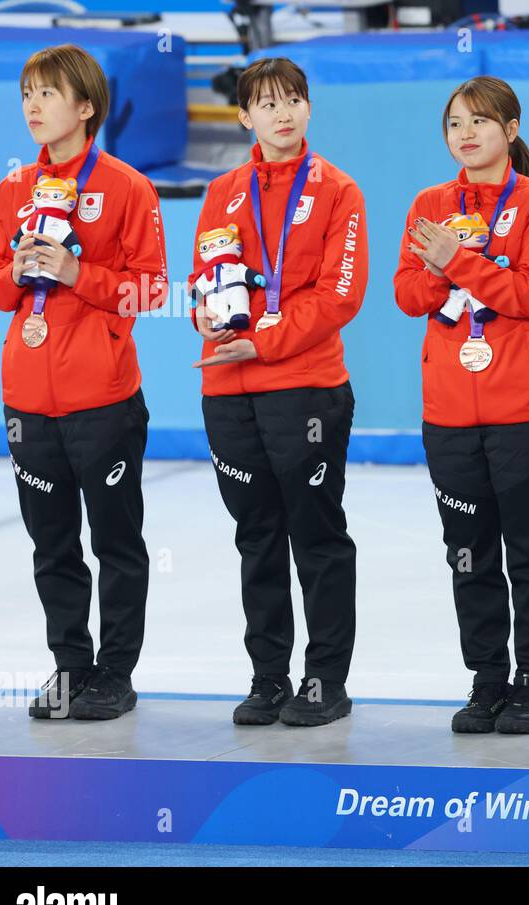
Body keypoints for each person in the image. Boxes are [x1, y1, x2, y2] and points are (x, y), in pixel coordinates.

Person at [0, 44, 167, 720]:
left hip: (103, 399)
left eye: (48, 93)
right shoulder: (12, 190)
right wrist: (21, 269)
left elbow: (149, 290)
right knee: (51, 543)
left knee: (115, 542)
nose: (33, 106)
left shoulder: (127, 187)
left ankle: (115, 673)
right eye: (27, 93)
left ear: (85, 107)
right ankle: (70, 665)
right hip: (28, 398)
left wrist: (75, 274)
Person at [190, 57, 368, 727]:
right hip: (228, 389)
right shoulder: (223, 191)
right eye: (267, 104)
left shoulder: (337, 191)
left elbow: (339, 295)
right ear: (244, 118)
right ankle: (268, 677)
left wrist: (263, 342)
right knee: (256, 536)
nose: (283, 112)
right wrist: (203, 317)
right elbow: (202, 281)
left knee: (314, 535)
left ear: (308, 108)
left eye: (294, 99)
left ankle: (325, 679)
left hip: (305, 389)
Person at [395, 76, 529, 735]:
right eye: (454, 124)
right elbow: (406, 293)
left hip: (525, 410)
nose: (465, 134)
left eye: (480, 121)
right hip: (448, 411)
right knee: (467, 550)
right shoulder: (429, 203)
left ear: (511, 129)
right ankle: (486, 679)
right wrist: (441, 263)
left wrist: (459, 262)